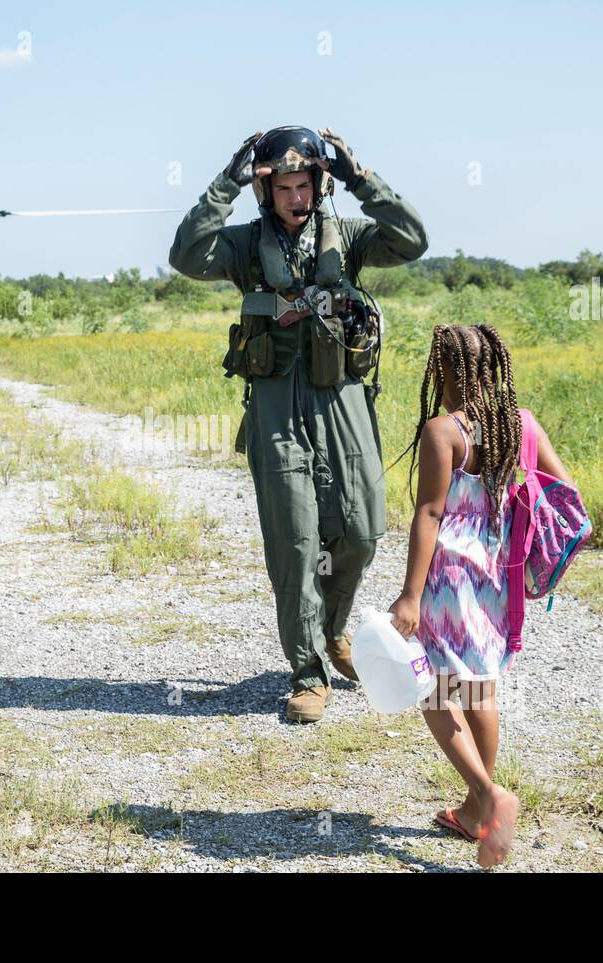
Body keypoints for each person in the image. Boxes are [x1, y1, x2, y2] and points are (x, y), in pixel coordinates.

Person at [169, 126, 428, 722]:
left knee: (362, 528)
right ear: (266, 192)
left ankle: (336, 629)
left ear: (320, 184)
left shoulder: (352, 237)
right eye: (282, 186)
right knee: (296, 541)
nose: (294, 196)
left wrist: (363, 179)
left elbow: (412, 238)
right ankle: (308, 671)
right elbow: (185, 255)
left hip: (343, 398)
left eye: (304, 183)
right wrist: (224, 185)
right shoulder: (242, 245)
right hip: (276, 404)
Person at [386, 322, 572, 867]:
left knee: (432, 690)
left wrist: (409, 596)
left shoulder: (443, 431)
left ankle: (490, 796)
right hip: (498, 572)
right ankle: (473, 812)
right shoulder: (521, 425)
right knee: (480, 694)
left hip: (448, 576)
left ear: (443, 371)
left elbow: (430, 512)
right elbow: (561, 489)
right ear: (492, 370)